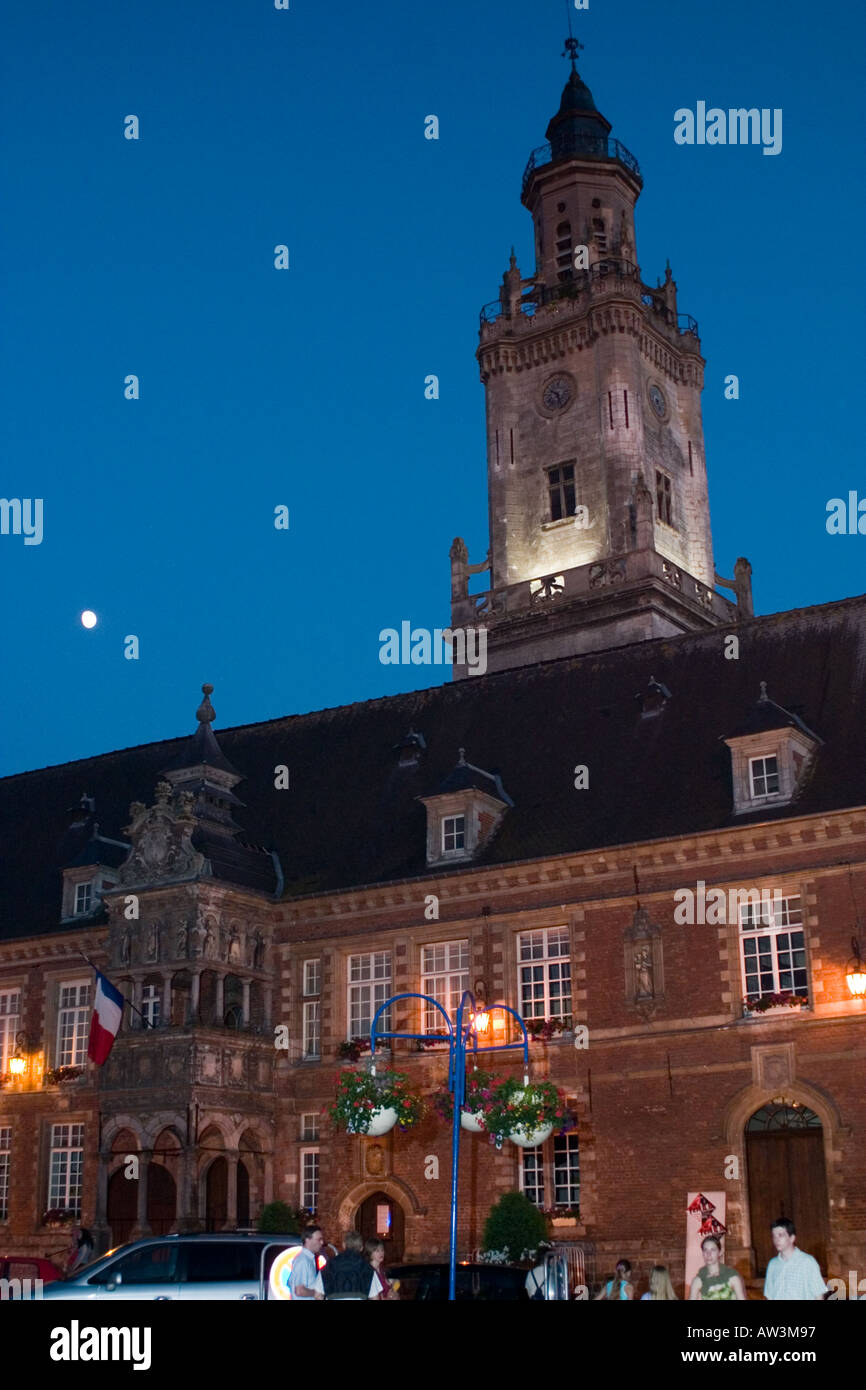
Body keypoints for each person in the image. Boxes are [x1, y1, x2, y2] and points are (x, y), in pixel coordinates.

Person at [763, 1218, 828, 1300]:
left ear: (792, 1238)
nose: (776, 1240)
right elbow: (769, 1296)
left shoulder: (807, 1262)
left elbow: (818, 1294)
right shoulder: (772, 1264)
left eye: (780, 1235)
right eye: (774, 1236)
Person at [321, 1229, 379, 1300]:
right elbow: (375, 1297)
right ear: (361, 1248)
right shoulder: (367, 1268)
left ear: (343, 1245)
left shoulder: (329, 1265)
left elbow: (318, 1295)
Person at [689, 1235, 745, 1300]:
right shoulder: (697, 1281)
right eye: (705, 1250)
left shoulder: (732, 1276)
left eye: (713, 1250)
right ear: (703, 1253)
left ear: (720, 1252)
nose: (708, 1254)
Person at [289, 1224, 325, 1301]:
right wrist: (316, 1293)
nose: (322, 1242)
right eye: (319, 1239)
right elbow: (299, 1291)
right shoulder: (303, 1261)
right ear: (307, 1240)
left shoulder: (308, 1259)